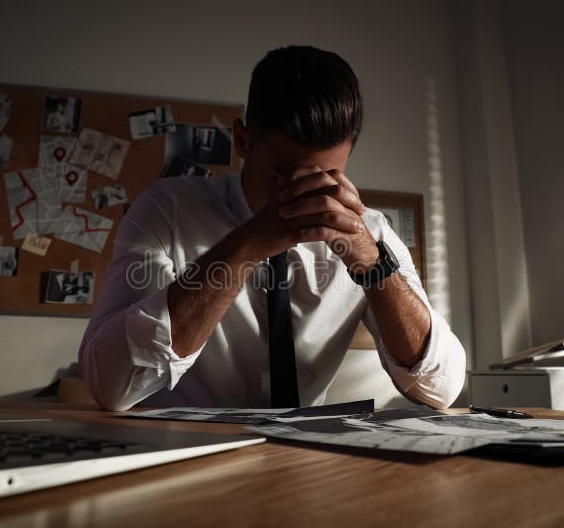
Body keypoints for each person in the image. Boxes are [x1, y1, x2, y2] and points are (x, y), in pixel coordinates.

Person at [79, 45, 466, 412]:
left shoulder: (369, 232)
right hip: (178, 453)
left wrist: (373, 263)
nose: (302, 195)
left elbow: (441, 389)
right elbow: (110, 386)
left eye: (330, 175)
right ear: (243, 140)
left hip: (300, 462)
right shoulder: (168, 210)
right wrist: (246, 246)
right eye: (282, 175)